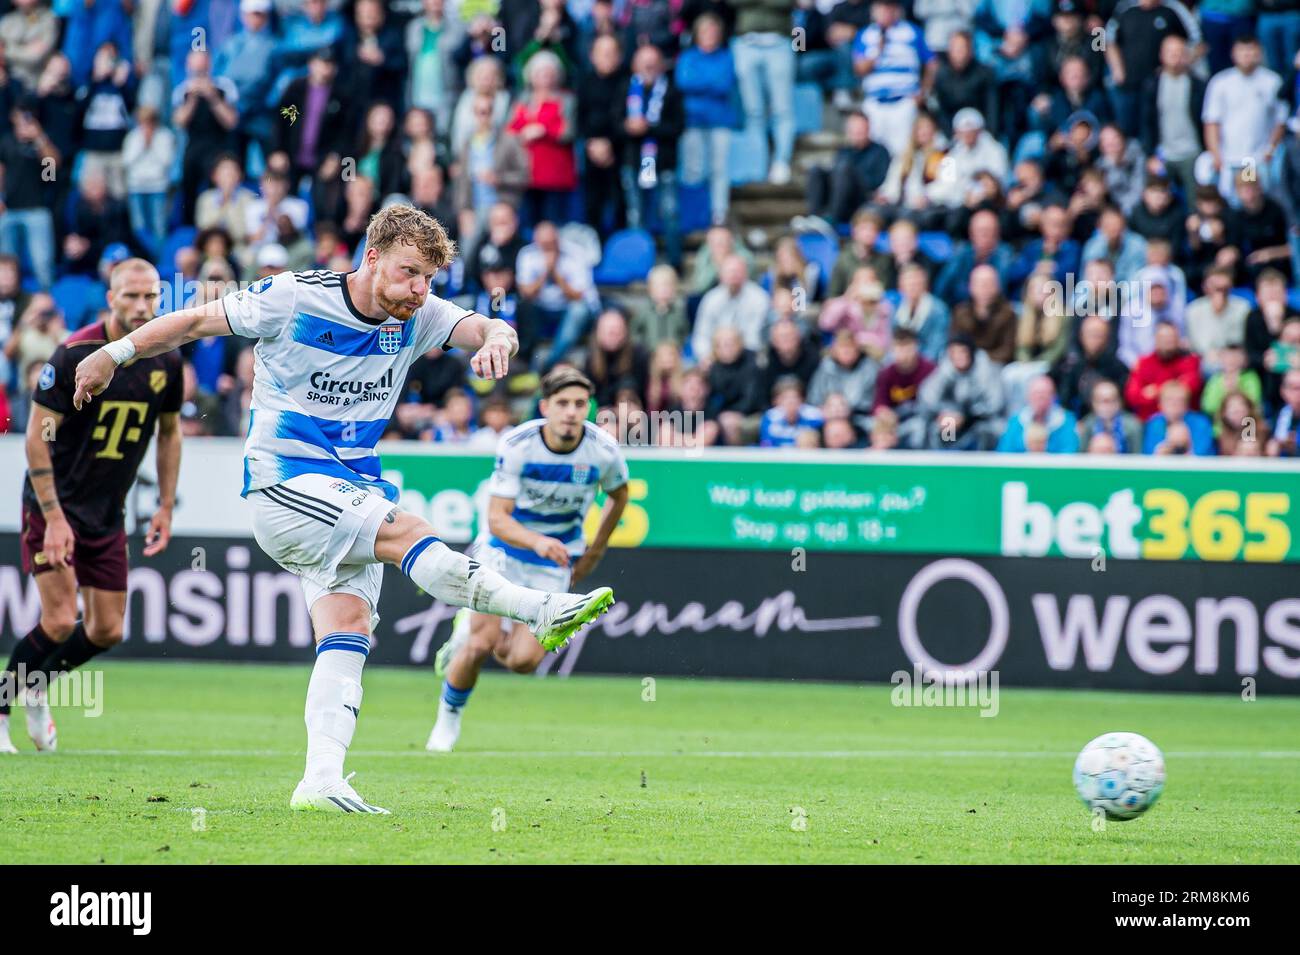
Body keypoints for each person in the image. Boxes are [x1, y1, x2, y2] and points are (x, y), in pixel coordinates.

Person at [70, 206, 615, 812]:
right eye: (410, 273)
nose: (419, 290)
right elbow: (195, 322)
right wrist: (115, 353)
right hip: (284, 481)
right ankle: (537, 608)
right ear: (372, 256)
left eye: (429, 279)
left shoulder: (421, 314)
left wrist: (495, 339)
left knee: (348, 629)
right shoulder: (293, 296)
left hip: (350, 485)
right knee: (408, 532)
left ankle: (320, 779)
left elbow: (492, 327)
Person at [0, 259, 181, 754]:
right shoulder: (75, 352)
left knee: (107, 629)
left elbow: (170, 433)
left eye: (150, 297)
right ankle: (2, 704)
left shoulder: (166, 359)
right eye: (130, 296)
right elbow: (36, 440)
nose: (141, 306)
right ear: (110, 298)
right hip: (52, 502)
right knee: (59, 620)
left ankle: (36, 684)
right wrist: (54, 518)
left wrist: (165, 505)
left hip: (107, 511)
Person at [427, 367, 629, 751]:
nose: (571, 412)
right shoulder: (518, 443)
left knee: (522, 661)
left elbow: (620, 496)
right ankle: (448, 720)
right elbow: (496, 518)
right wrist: (536, 541)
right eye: (563, 404)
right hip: (503, 550)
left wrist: (597, 548)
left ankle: (472, 627)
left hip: (555, 558)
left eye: (579, 404)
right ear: (545, 407)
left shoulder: (603, 450)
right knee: (482, 643)